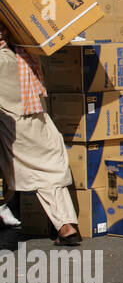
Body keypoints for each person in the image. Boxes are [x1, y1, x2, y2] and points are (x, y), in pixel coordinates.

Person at [0, 24, 79, 245]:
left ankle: (65, 227)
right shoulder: (25, 54)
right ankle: (66, 226)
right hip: (41, 125)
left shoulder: (4, 60)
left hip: (20, 132)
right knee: (48, 176)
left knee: (37, 175)